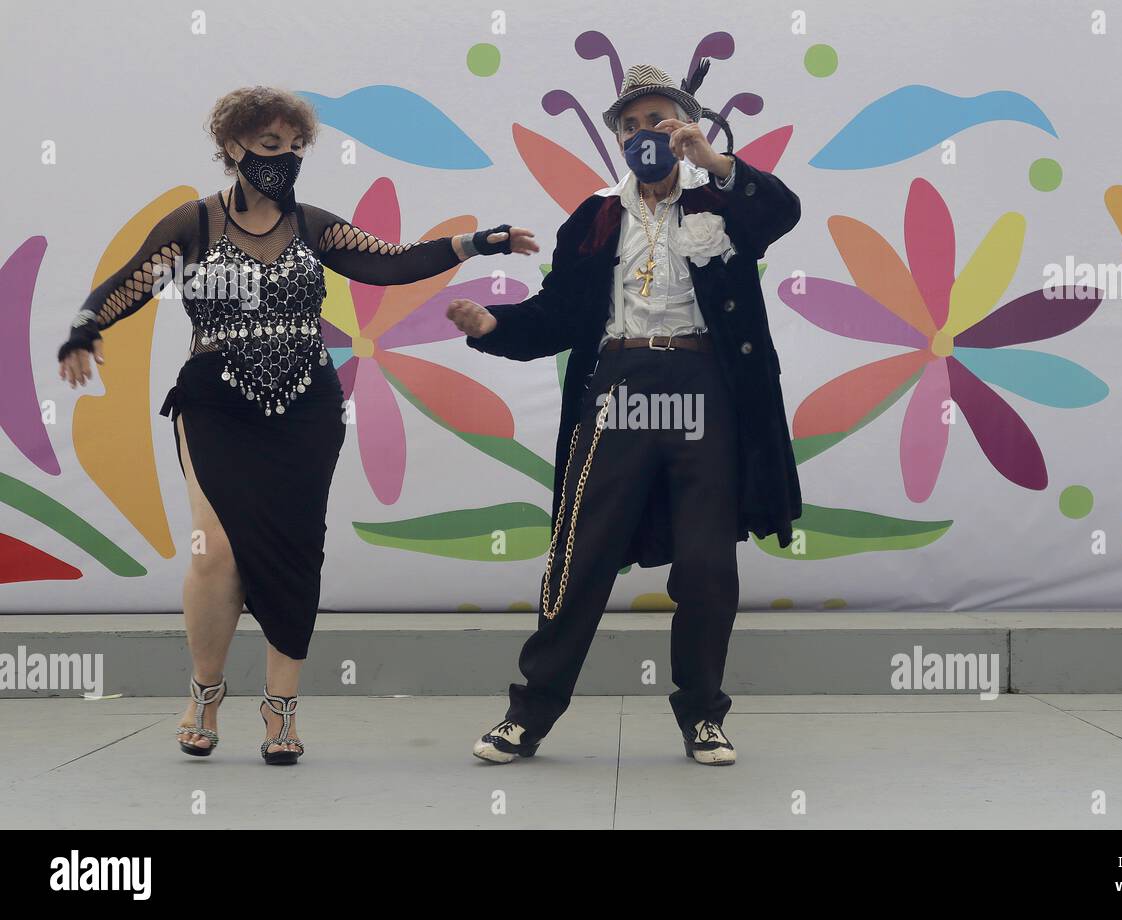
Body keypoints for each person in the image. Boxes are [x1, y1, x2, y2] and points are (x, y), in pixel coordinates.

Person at [56, 85, 538, 764]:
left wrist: (478, 241)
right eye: (267, 146)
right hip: (216, 401)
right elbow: (132, 283)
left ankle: (281, 707)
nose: (282, 159)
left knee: (293, 549)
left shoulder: (313, 225)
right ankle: (205, 690)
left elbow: (392, 262)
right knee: (212, 549)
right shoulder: (192, 224)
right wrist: (84, 328)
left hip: (305, 406)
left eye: (293, 147)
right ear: (232, 148)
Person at [447, 62, 801, 766]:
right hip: (619, 383)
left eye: (659, 121)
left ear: (685, 127)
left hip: (705, 384)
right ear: (618, 139)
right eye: (632, 125)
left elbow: (782, 212)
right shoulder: (596, 215)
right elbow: (560, 312)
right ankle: (529, 715)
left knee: (706, 567)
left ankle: (703, 714)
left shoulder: (725, 201)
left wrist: (714, 161)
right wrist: (494, 326)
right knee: (579, 555)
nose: (646, 134)